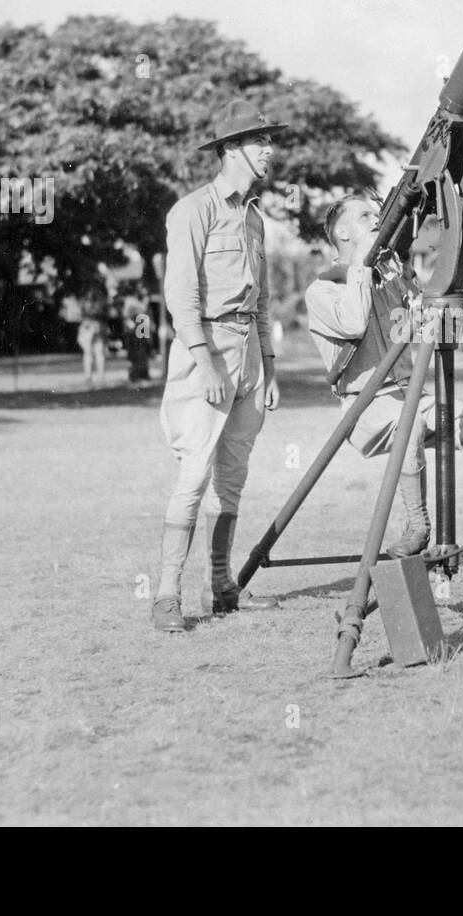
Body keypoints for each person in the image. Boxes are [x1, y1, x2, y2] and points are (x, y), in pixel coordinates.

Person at [304, 193, 463, 574]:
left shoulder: (394, 278)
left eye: (380, 215)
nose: (377, 221)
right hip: (366, 406)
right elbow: (352, 323)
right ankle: (417, 527)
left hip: (410, 395)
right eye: (366, 216)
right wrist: (366, 264)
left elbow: (433, 323)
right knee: (410, 419)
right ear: (343, 232)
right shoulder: (324, 289)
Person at [152, 99, 285, 632]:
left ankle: (223, 585)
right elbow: (179, 296)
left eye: (269, 140)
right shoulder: (194, 209)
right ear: (231, 149)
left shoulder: (254, 217)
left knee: (232, 475)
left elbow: (263, 299)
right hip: (204, 347)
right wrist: (204, 362)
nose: (269, 150)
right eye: (259, 141)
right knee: (193, 474)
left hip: (248, 352)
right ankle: (166, 595)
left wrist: (269, 367)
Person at [78, 286, 111, 385]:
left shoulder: (86, 303)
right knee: (96, 353)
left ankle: (92, 376)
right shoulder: (99, 303)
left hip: (90, 326)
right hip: (94, 326)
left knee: (93, 353)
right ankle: (95, 376)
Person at [121, 285, 152, 385]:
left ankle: (143, 374)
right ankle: (133, 375)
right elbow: (126, 314)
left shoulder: (144, 300)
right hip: (133, 329)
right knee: (133, 353)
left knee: (143, 352)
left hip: (143, 327)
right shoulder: (131, 300)